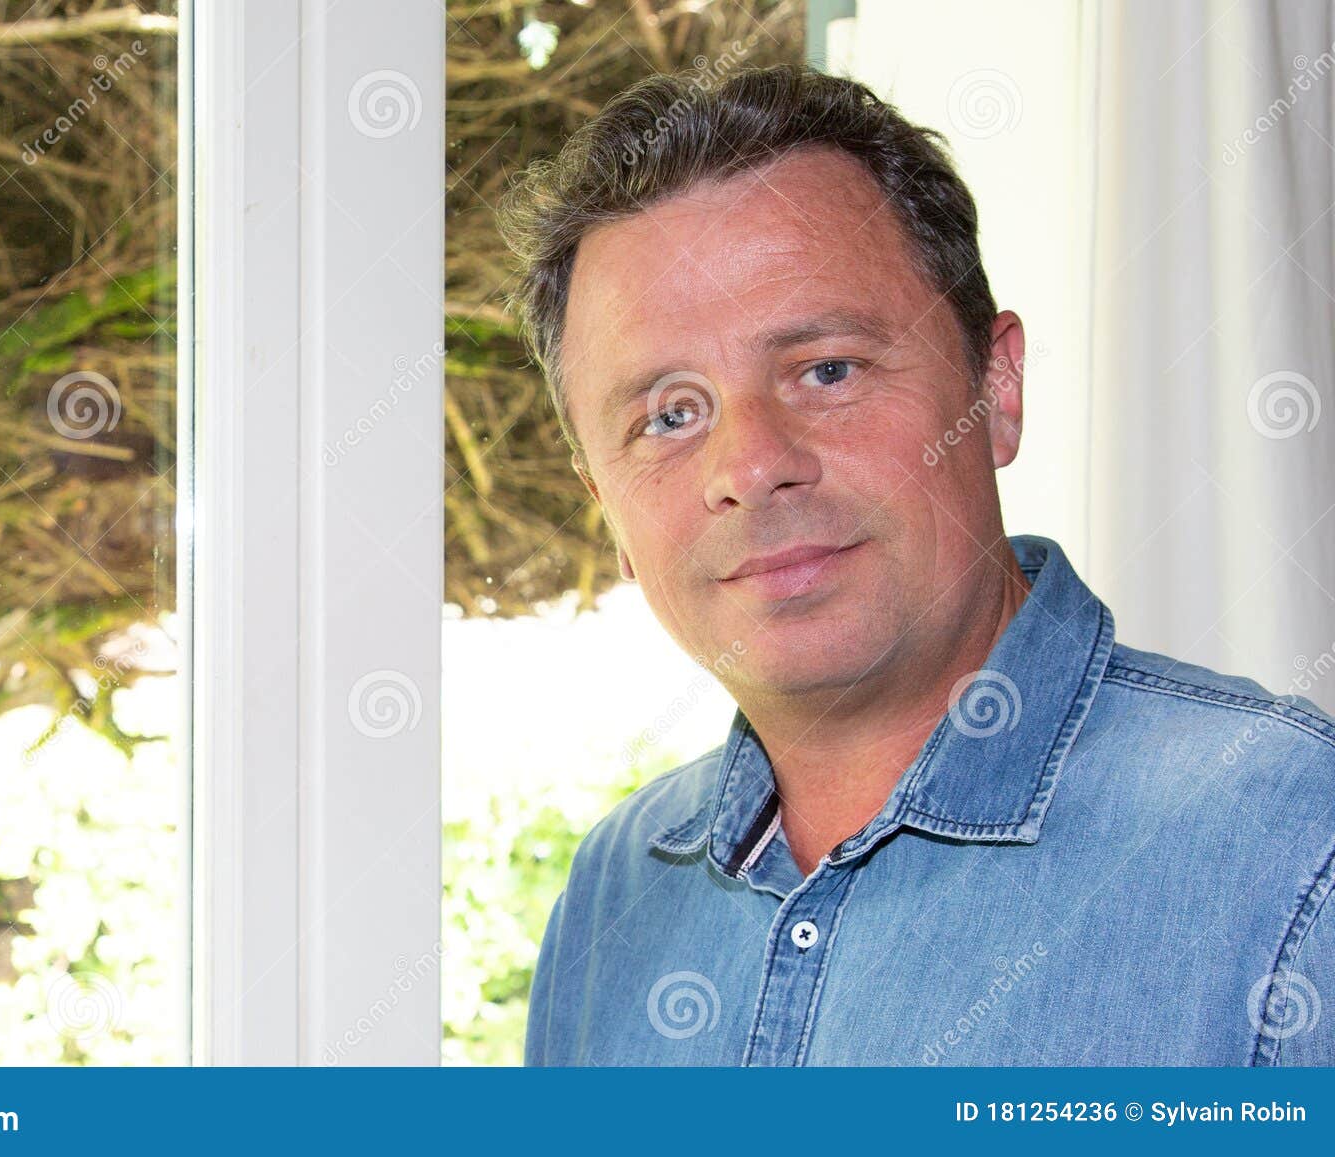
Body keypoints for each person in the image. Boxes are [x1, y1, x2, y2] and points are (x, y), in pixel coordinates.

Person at [497, 63, 1335, 1066]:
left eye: (827, 369)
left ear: (996, 386)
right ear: (610, 514)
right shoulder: (609, 902)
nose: (752, 463)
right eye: (668, 414)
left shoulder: (1293, 845)